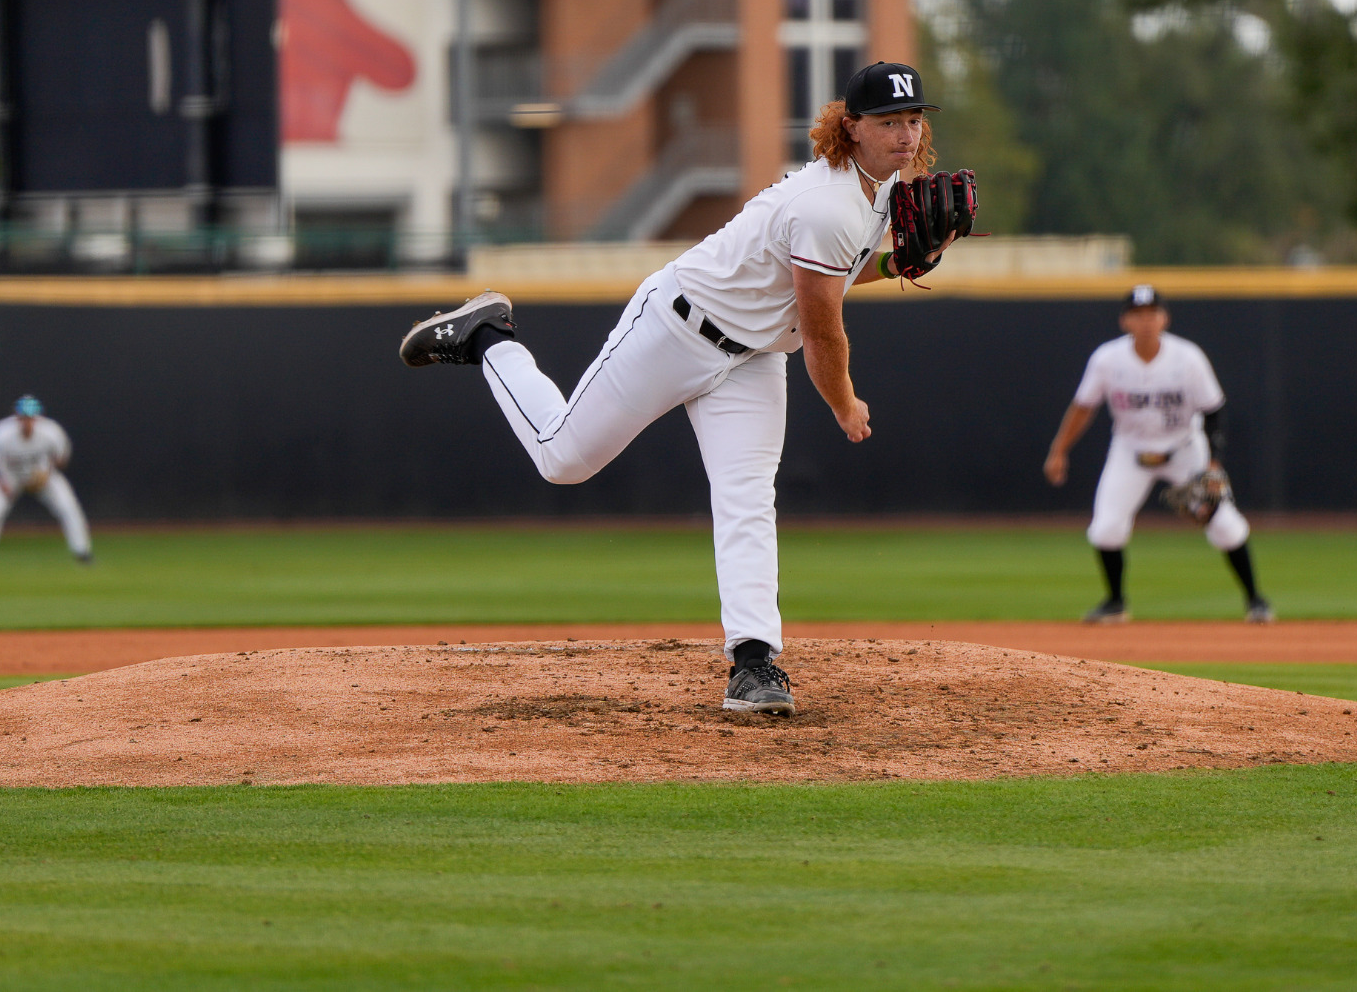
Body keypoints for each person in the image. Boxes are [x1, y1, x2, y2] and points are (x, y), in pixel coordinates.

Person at [399, 62, 953, 715]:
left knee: (747, 496)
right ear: (852, 127)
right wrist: (844, 401)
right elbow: (822, 328)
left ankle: (753, 663)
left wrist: (892, 263)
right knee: (563, 458)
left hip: (750, 355)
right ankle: (489, 335)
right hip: (679, 325)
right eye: (889, 122)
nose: (907, 133)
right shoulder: (828, 203)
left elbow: (830, 279)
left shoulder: (880, 191)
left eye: (914, 119)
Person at [1043, 284, 1270, 625]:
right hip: (1130, 451)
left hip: (1184, 449)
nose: (1146, 321)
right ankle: (1116, 603)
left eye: (1152, 313)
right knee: (1105, 529)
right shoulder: (1108, 359)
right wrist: (1058, 450)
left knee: (1225, 525)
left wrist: (1213, 462)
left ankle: (1256, 601)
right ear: (1125, 321)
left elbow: (1213, 410)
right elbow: (1083, 407)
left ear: (1165, 318)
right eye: (1138, 314)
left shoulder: (1188, 357)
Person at [0, 395, 92, 566]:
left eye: (31, 418)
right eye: (23, 418)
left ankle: (82, 552)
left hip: (41, 473)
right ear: (17, 417)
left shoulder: (51, 431)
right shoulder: (2, 432)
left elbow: (62, 457)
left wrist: (47, 473)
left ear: (38, 418)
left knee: (68, 505)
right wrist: (0, 480)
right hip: (8, 475)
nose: (27, 422)